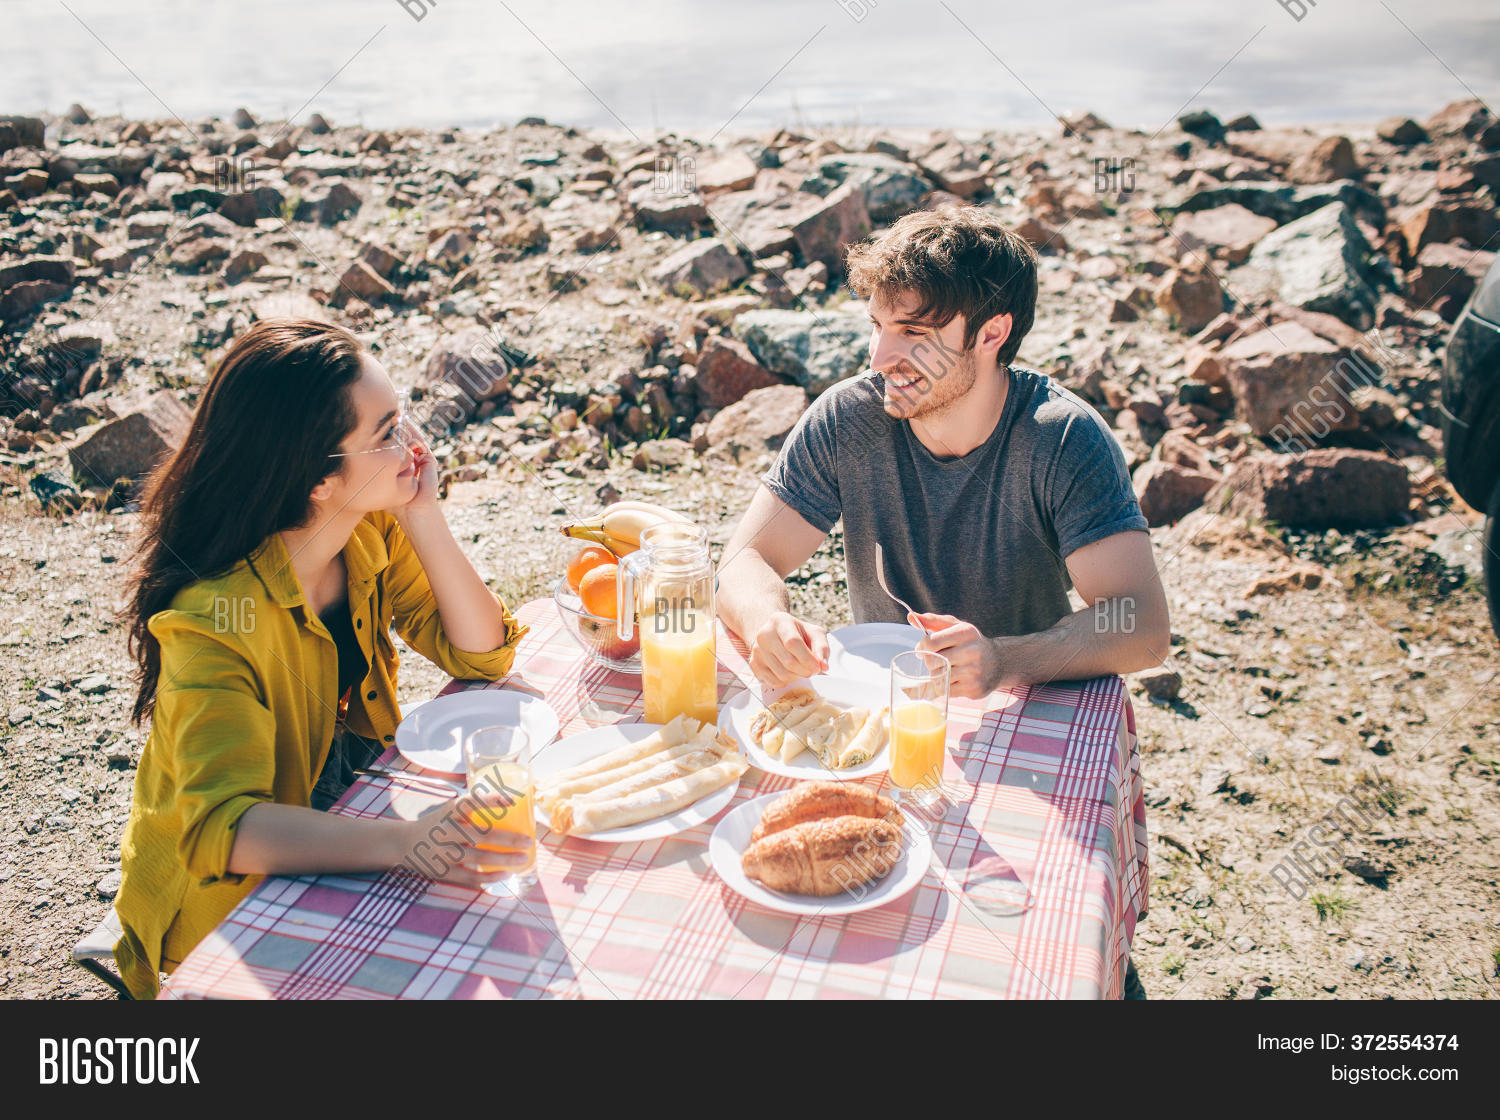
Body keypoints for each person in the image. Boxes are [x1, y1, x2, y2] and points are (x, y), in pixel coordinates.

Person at [115, 318, 532, 999]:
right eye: (387, 433)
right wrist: (403, 845)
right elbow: (226, 829)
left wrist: (423, 515)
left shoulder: (364, 531)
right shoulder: (214, 620)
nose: (414, 446)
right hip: (235, 891)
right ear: (317, 480)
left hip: (344, 800)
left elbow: (480, 652)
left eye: (406, 420)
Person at [718, 205, 1170, 698]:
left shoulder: (1063, 438)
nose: (880, 359)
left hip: (1027, 696)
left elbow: (1143, 627)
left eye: (913, 333)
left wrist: (1003, 660)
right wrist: (767, 619)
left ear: (991, 334)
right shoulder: (849, 418)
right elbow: (745, 560)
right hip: (887, 697)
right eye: (878, 326)